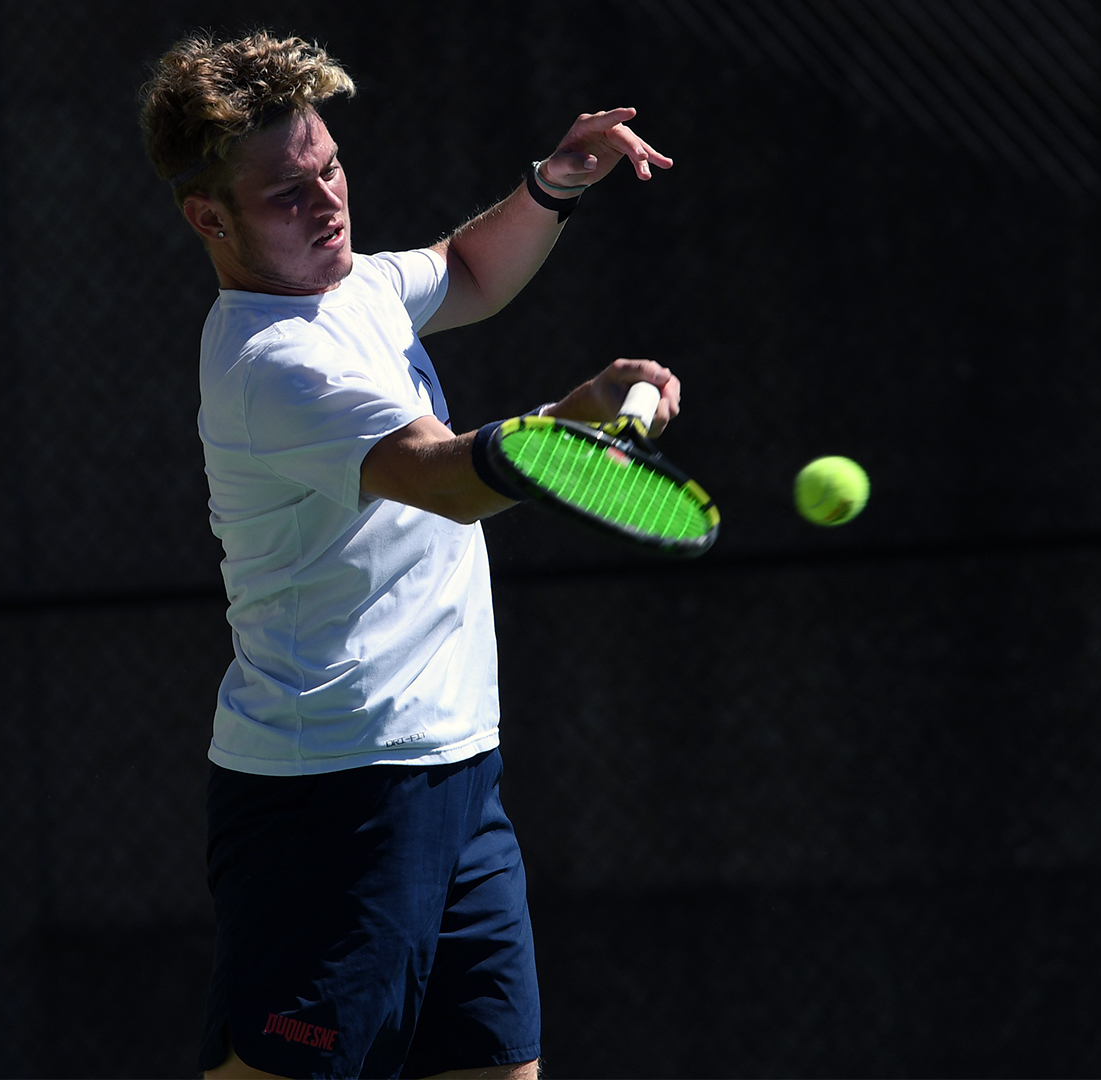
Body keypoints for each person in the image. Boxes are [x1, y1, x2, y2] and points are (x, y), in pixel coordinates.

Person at [139, 31, 679, 1080]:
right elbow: (444, 479)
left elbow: (468, 268)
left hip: (459, 774)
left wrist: (556, 180)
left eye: (331, 164)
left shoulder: (355, 291)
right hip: (329, 803)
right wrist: (570, 433)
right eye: (288, 192)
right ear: (210, 218)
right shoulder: (270, 362)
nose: (328, 201)